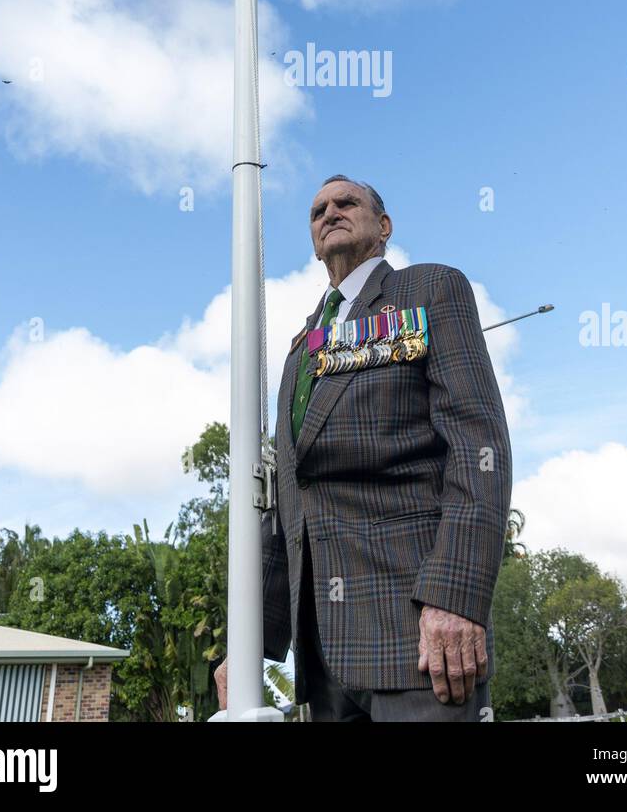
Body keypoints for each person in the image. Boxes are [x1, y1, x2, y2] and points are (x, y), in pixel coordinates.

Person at [215, 174, 512, 722]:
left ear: (384, 226)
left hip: (420, 638)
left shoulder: (430, 290)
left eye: (346, 202)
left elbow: (478, 445)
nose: (330, 212)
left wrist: (454, 597)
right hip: (324, 658)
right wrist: (249, 639)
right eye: (316, 210)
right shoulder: (300, 349)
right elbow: (289, 500)